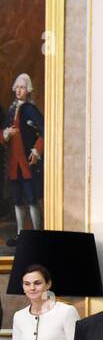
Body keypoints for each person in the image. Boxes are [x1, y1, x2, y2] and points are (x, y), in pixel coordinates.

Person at [3, 73, 44, 244]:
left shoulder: (31, 110)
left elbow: (45, 131)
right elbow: (2, 134)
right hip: (14, 164)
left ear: (28, 91)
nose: (19, 90)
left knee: (32, 199)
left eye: (22, 88)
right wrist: (6, 134)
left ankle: (37, 235)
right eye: (17, 87)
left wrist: (36, 151)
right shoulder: (11, 110)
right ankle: (20, 235)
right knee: (18, 200)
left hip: (28, 163)